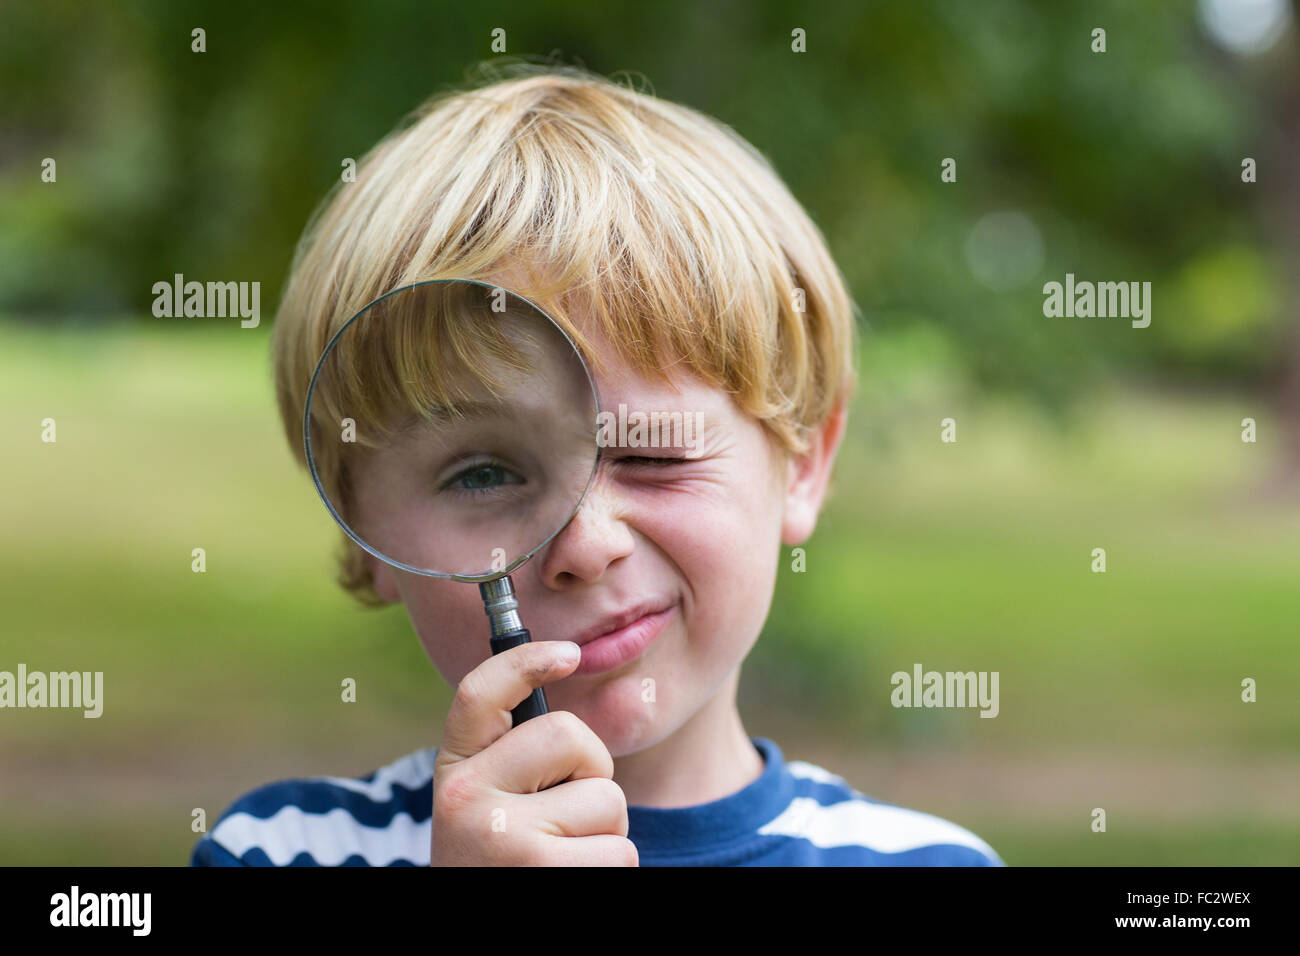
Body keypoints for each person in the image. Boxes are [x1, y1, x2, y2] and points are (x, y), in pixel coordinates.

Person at [191, 62, 1003, 867]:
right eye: (482, 473)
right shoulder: (279, 851)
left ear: (804, 466)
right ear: (364, 533)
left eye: (651, 453)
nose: (586, 543)